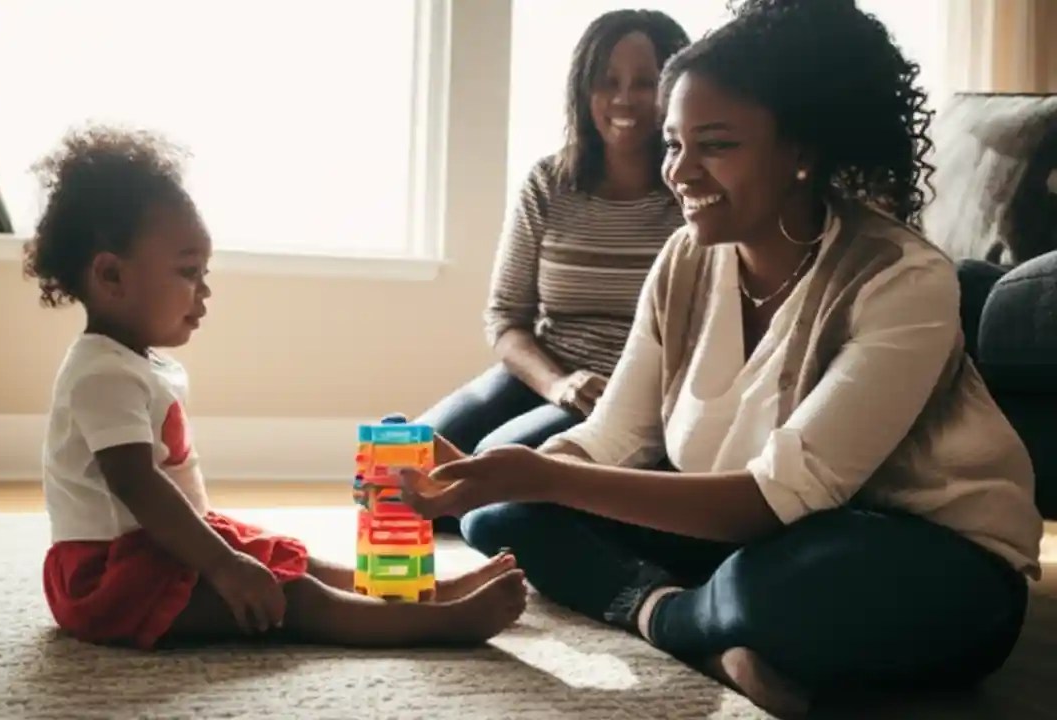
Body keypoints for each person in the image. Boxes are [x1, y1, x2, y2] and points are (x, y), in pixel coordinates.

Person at [402, 0, 1043, 715]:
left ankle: (678, 618)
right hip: (759, 539)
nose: (680, 171)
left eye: (715, 144)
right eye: (672, 144)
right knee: (500, 518)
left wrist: (546, 477)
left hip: (920, 554)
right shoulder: (685, 258)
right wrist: (506, 474)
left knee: (773, 586)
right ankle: (696, 623)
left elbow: (777, 498)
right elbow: (616, 437)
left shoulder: (903, 277)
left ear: (801, 149)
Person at [25, 125, 526, 651]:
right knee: (295, 598)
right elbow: (138, 485)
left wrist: (229, 552)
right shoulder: (102, 374)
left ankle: (428, 593)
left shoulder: (132, 363)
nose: (205, 290)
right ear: (111, 276)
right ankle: (444, 627)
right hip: (114, 580)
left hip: (157, 544)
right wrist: (222, 564)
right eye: (188, 271)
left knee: (285, 555)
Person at [415, 10, 690, 534]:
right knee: (401, 475)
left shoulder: (691, 193)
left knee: (492, 471)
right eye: (607, 82)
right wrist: (560, 384)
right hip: (546, 371)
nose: (624, 99)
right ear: (583, 91)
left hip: (627, 391)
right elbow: (505, 318)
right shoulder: (549, 182)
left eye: (645, 83)